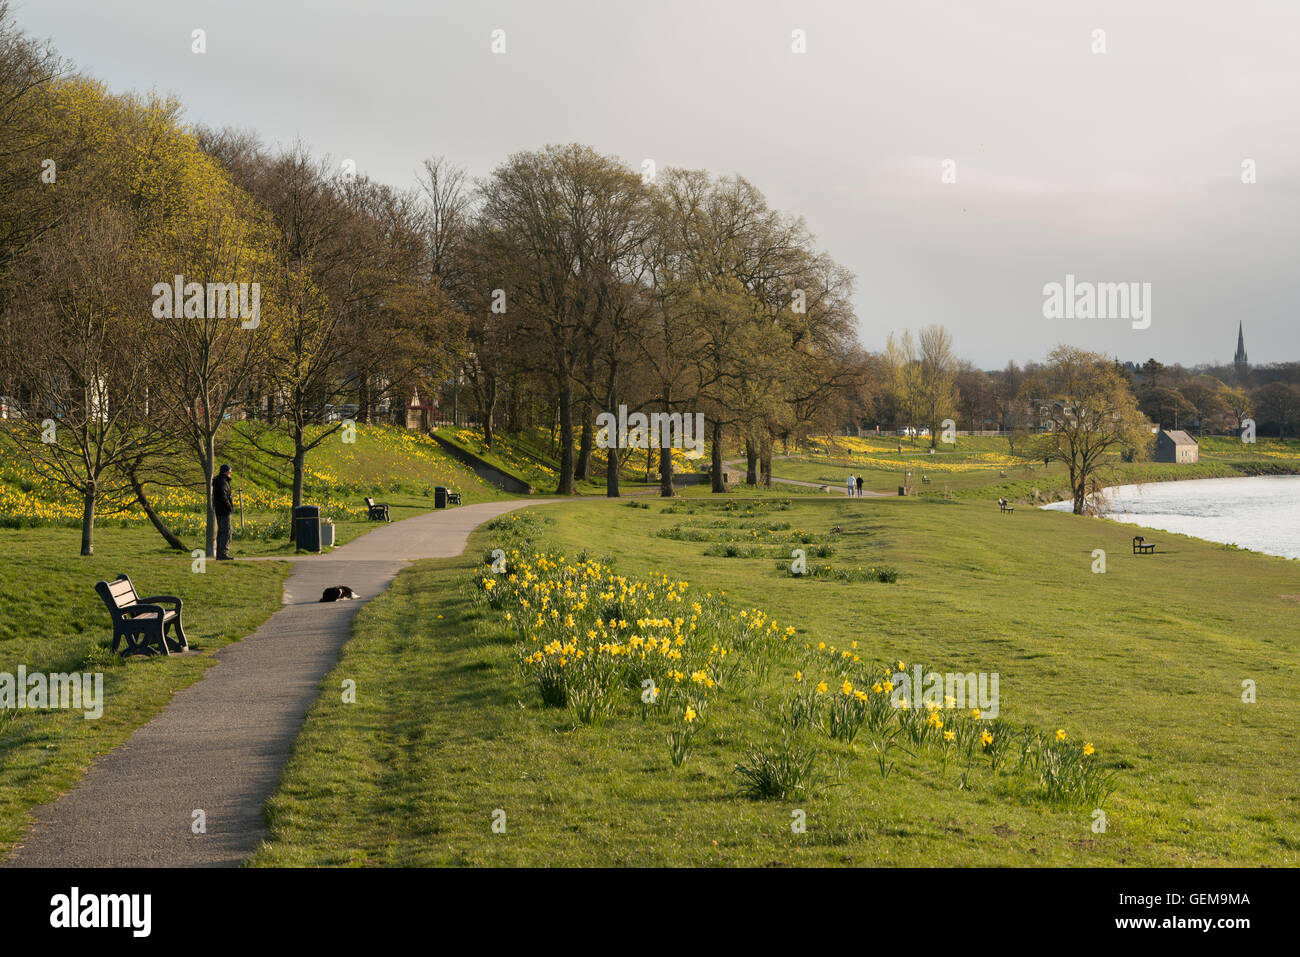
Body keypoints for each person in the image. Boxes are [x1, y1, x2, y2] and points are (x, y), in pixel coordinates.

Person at [213, 464, 234, 560]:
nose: (230, 474)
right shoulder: (222, 482)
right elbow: (224, 497)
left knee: (222, 532)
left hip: (220, 510)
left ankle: (220, 554)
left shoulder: (221, 481)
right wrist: (229, 507)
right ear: (226, 472)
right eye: (230, 472)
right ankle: (223, 554)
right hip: (224, 511)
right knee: (226, 532)